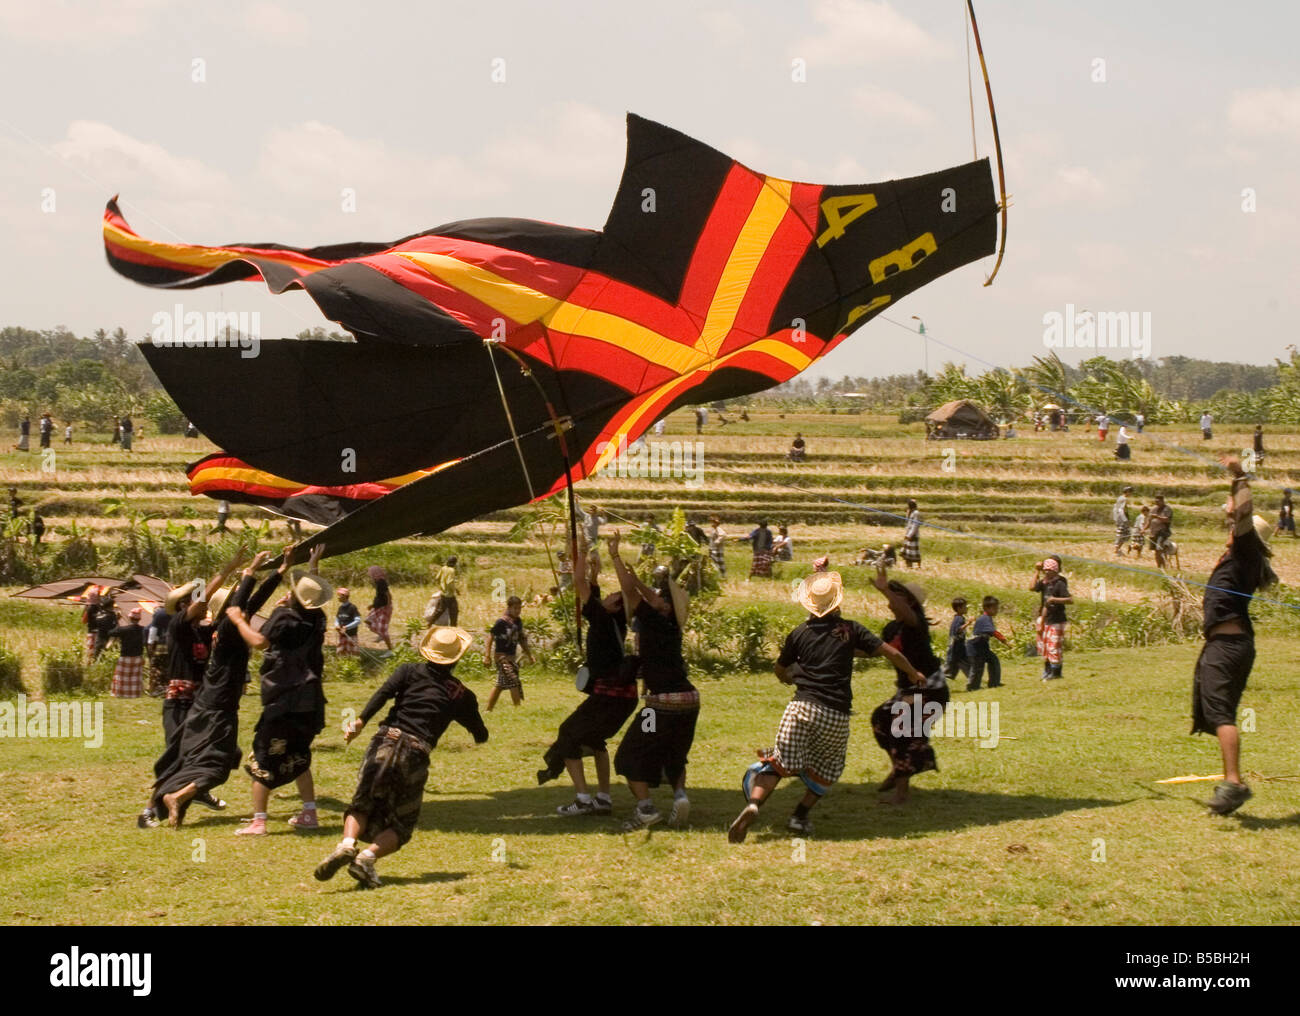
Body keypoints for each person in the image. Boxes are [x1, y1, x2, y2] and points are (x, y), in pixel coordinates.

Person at [728, 571, 922, 842]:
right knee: (829, 768)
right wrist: (913, 673)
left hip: (800, 708)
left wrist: (788, 678)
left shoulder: (799, 633)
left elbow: (780, 669)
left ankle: (753, 804)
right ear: (837, 603)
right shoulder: (851, 629)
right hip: (835, 713)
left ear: (810, 604)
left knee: (778, 763)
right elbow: (890, 652)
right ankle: (799, 816)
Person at [316, 625, 488, 888]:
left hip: (384, 742)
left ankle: (347, 845)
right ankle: (366, 858)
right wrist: (476, 724)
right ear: (456, 658)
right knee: (403, 823)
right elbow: (480, 733)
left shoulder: (408, 671)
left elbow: (383, 694)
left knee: (361, 804)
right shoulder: (460, 694)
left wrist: (360, 721)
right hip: (415, 754)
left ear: (428, 651)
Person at [149, 551, 284, 827]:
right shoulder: (178, 626)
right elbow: (212, 601)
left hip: (203, 701)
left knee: (211, 756)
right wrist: (233, 570)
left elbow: (248, 605)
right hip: (182, 702)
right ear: (184, 606)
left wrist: (280, 571)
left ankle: (186, 796)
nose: (201, 605)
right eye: (193, 601)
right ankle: (154, 807)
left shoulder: (210, 629)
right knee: (179, 756)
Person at [1191, 458, 1277, 815]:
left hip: (1228, 645)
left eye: (1233, 525)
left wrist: (1239, 476)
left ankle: (1234, 784)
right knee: (1215, 710)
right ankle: (1232, 785)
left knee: (1220, 713)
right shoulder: (1242, 557)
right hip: (1229, 644)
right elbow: (1236, 514)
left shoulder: (1245, 551)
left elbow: (1242, 512)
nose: (1229, 525)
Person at [233, 544, 332, 835]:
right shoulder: (318, 618)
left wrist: (238, 620)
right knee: (298, 755)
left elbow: (259, 642)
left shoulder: (283, 617)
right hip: (310, 700)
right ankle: (309, 814)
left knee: (263, 757)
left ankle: (259, 821)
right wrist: (313, 566)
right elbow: (312, 600)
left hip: (284, 698)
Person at [538, 533, 637, 816]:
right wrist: (596, 568)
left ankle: (582, 798)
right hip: (623, 697)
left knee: (567, 734)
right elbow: (590, 585)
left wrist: (580, 551)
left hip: (608, 696)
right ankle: (603, 798)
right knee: (594, 741)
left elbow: (579, 583)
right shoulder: (614, 620)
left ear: (614, 606)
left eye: (613, 596)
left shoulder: (602, 617)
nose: (608, 594)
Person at [607, 532, 697, 830]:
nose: (654, 594)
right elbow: (646, 594)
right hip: (689, 702)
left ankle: (646, 809)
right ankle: (680, 796)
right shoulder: (672, 623)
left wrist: (615, 556)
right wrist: (637, 579)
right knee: (675, 755)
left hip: (659, 706)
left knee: (628, 756)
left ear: (665, 605)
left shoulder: (652, 618)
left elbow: (630, 592)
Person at [868, 564, 946, 804]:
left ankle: (901, 793)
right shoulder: (892, 628)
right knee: (881, 719)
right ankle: (900, 767)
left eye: (896, 595)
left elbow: (910, 616)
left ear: (909, 602)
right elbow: (876, 650)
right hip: (907, 690)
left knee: (901, 730)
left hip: (930, 690)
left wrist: (884, 589)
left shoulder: (916, 624)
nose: (891, 599)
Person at [485, 595, 533, 710]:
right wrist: (487, 656)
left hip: (511, 658)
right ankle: (518, 709)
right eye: (515, 608)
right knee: (513, 680)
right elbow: (490, 637)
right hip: (501, 657)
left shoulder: (518, 622)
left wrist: (530, 655)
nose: (517, 611)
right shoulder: (501, 622)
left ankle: (488, 709)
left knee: (500, 685)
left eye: (519, 608)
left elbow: (521, 639)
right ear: (509, 608)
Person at [1031, 557, 1072, 681]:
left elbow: (1070, 599)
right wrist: (1037, 571)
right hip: (1045, 618)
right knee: (1045, 646)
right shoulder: (1044, 583)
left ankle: (1055, 672)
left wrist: (1054, 599)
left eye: (1049, 570)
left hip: (1056, 619)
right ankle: (1048, 671)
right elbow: (1032, 587)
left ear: (1056, 570)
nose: (1047, 572)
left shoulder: (1060, 582)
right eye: (1045, 570)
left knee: (1054, 646)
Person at [965, 596, 1009, 691]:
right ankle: (972, 687)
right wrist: (1005, 641)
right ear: (986, 608)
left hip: (982, 648)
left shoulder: (987, 618)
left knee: (993, 661)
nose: (996, 610)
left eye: (997, 608)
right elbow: (994, 632)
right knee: (978, 668)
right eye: (994, 608)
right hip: (975, 648)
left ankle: (994, 683)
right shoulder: (984, 618)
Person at [108, 607, 148, 698]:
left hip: (125, 656)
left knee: (121, 677)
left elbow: (111, 632)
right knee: (135, 678)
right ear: (139, 619)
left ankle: (120, 693)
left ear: (130, 618)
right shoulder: (143, 630)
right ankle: (134, 694)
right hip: (138, 656)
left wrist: (116, 621)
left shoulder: (123, 629)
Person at [364, 564, 394, 651]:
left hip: (383, 607)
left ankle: (390, 648)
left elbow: (388, 594)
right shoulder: (378, 582)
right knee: (368, 621)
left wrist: (388, 605)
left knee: (382, 628)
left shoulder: (381, 582)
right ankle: (381, 635)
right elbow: (380, 597)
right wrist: (373, 605)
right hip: (378, 606)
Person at [425, 556, 460, 626]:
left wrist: (441, 586)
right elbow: (449, 582)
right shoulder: (451, 570)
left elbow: (437, 578)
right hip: (449, 594)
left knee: (440, 610)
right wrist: (455, 590)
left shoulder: (443, 568)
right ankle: (453, 626)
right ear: (454, 563)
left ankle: (430, 623)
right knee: (454, 611)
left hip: (443, 593)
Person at [146, 601, 171, 697]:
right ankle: (167, 688)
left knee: (156, 667)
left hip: (160, 644)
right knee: (168, 667)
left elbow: (153, 630)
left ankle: (156, 689)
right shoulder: (177, 612)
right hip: (172, 645)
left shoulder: (159, 614)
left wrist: (150, 644)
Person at [943, 596, 970, 681]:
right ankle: (973, 679)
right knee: (963, 662)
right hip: (957, 645)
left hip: (957, 645)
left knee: (954, 662)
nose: (966, 608)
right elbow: (958, 630)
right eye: (965, 606)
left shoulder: (958, 618)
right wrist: (968, 623)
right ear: (958, 608)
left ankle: (949, 675)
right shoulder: (959, 619)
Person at [1148, 494, 1174, 568]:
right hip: (1154, 533)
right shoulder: (1153, 509)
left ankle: (1163, 565)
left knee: (1159, 548)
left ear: (1162, 501)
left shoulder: (1167, 509)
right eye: (1155, 502)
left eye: (1158, 502)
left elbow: (1167, 520)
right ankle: (1159, 566)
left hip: (1163, 532)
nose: (1157, 503)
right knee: (1156, 551)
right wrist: (1143, 529)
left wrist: (1157, 517)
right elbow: (1149, 521)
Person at [335, 587, 361, 656]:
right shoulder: (340, 608)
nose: (338, 597)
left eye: (340, 595)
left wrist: (346, 627)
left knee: (353, 654)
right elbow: (337, 618)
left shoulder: (352, 607)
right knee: (340, 653)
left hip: (351, 635)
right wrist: (337, 625)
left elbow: (358, 621)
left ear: (345, 596)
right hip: (342, 635)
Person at [901, 499, 922, 569]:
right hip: (908, 534)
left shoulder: (916, 513)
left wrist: (909, 535)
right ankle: (909, 566)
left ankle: (918, 566)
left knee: (914, 551)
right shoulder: (911, 512)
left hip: (913, 535)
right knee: (908, 551)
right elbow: (908, 522)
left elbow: (915, 525)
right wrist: (907, 513)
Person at [1113, 486, 1133, 555]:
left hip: (1118, 518)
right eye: (1130, 492)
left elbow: (1115, 508)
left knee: (1121, 534)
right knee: (1124, 534)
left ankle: (1117, 549)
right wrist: (1125, 520)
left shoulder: (1119, 498)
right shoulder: (1124, 499)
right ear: (1127, 492)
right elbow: (1121, 510)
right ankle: (1117, 549)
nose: (1131, 494)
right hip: (1122, 519)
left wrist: (1115, 518)